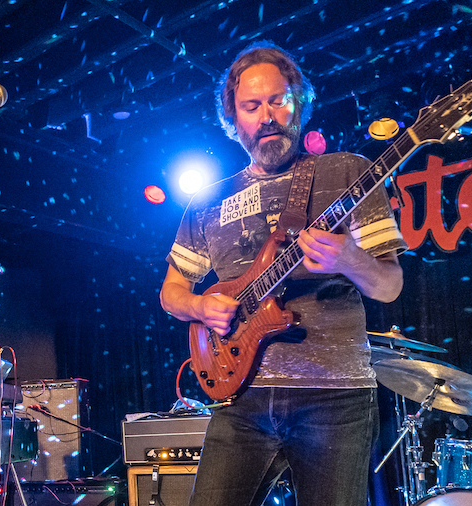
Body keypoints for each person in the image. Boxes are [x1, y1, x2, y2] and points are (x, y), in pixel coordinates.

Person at [160, 42, 406, 506]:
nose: (266, 116)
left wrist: (348, 259)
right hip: (240, 399)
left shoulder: (350, 172)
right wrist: (199, 305)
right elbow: (171, 291)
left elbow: (389, 286)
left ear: (300, 103)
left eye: (278, 100)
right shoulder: (208, 201)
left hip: (334, 399)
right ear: (233, 121)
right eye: (251, 106)